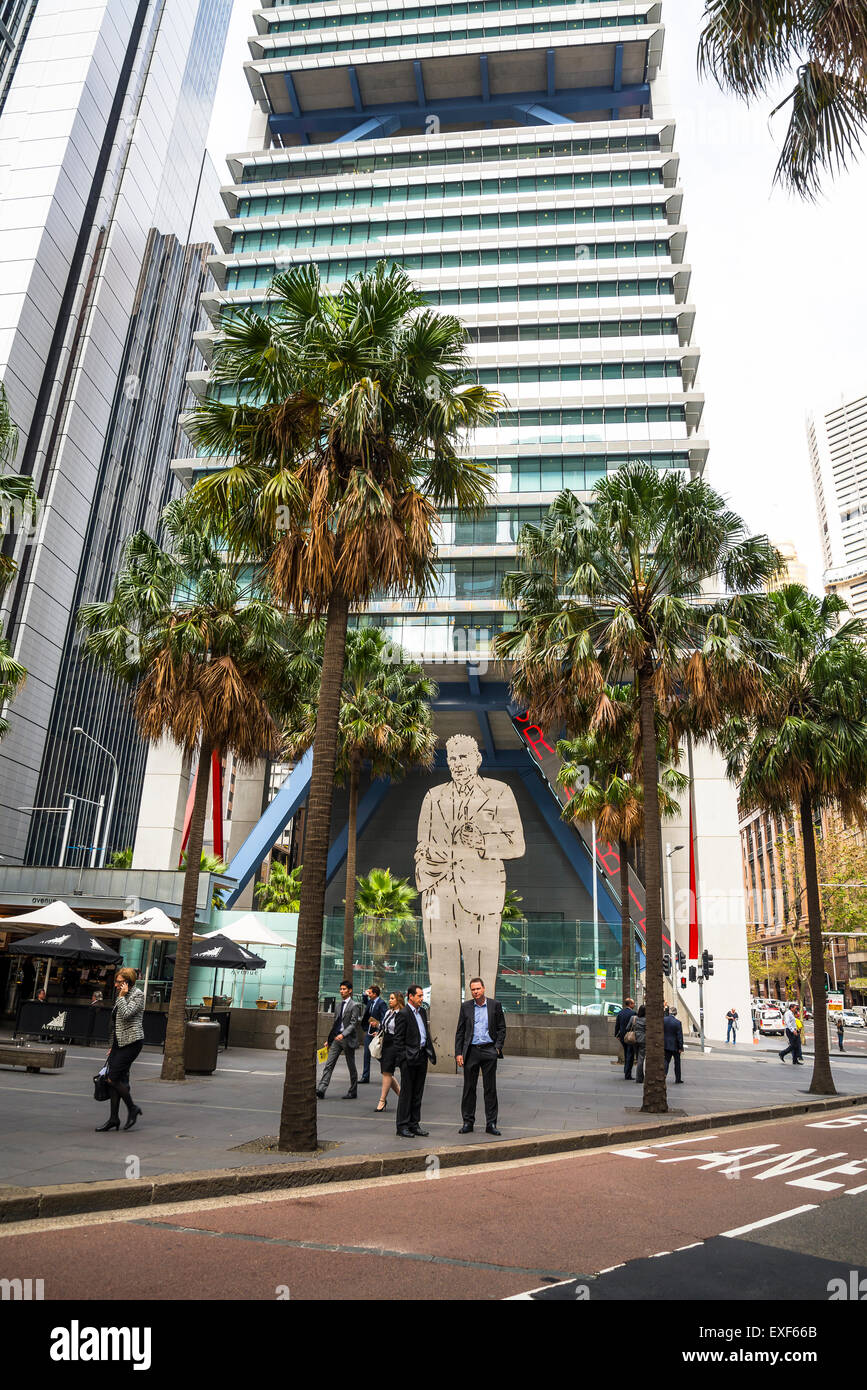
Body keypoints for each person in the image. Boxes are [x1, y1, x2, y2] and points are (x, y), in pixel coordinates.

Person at [415, 733, 524, 1061]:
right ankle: (445, 1054)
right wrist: (428, 876)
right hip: (438, 896)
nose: (456, 764)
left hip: (482, 894)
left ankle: (480, 1050)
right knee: (442, 981)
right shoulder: (433, 796)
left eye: (463, 757)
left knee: (481, 982)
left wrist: (483, 842)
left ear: (477, 759)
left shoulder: (500, 792)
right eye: (451, 758)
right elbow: (421, 846)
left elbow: (516, 844)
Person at [454, 976, 507, 1135]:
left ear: (483, 989)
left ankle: (491, 1124)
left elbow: (502, 1029)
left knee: (490, 1089)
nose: (475, 992)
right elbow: (460, 1032)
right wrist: (458, 1053)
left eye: (478, 989)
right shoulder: (466, 1007)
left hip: (489, 1050)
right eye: (473, 989)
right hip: (471, 1051)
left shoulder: (495, 1005)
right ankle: (468, 1122)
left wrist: (497, 1048)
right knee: (469, 1089)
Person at [96, 967, 145, 1132]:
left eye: (119, 982)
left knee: (112, 1079)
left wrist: (122, 997)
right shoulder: (122, 996)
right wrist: (113, 1045)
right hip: (119, 1043)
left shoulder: (137, 995)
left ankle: (132, 1108)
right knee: (115, 1080)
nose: (115, 984)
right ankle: (114, 1118)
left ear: (127, 982)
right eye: (116, 981)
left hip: (132, 1043)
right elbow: (116, 1023)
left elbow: (126, 1014)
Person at [394, 983, 436, 1137]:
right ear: (410, 997)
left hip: (421, 1056)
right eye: (419, 996)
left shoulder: (422, 1012)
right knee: (407, 1093)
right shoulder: (403, 1014)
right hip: (409, 1058)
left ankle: (414, 1124)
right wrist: (403, 1059)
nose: (421, 998)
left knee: (418, 1092)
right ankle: (402, 1126)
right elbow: (397, 1040)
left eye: (422, 996)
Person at [316, 981, 362, 1099]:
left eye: (344, 989)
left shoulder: (354, 1005)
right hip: (336, 1039)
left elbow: (353, 1024)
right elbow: (335, 1024)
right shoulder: (338, 1005)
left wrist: (344, 1034)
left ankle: (353, 1091)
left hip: (348, 1039)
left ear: (350, 991)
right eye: (340, 989)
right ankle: (321, 1088)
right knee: (329, 1064)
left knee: (351, 1066)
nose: (341, 991)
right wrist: (330, 1040)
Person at [373, 991, 403, 1113]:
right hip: (385, 1042)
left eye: (392, 998)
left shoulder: (401, 1014)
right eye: (389, 998)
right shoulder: (388, 1012)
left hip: (394, 1043)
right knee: (387, 1073)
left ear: (398, 1000)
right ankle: (403, 1096)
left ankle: (382, 1100)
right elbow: (384, 1026)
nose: (390, 1000)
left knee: (387, 1072)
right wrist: (378, 1027)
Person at [360, 985, 387, 1084]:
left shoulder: (381, 1003)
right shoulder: (371, 1002)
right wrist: (364, 993)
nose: (368, 994)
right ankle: (365, 1076)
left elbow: (385, 1018)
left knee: (377, 1054)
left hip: (377, 1032)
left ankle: (387, 1070)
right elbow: (364, 1000)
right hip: (369, 1031)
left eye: (370, 993)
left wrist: (379, 1025)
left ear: (375, 994)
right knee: (366, 1053)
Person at [614, 997, 637, 1079]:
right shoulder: (633, 1013)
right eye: (633, 1003)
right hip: (630, 1036)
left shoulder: (620, 1012)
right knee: (630, 1055)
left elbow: (617, 1025)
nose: (634, 1005)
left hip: (622, 1036)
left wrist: (616, 1035)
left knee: (627, 1053)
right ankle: (628, 1074)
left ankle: (626, 1070)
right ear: (630, 1004)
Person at [663, 1005, 684, 1083]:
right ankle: (678, 1079)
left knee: (666, 1061)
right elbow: (679, 1036)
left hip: (666, 1045)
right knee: (677, 1062)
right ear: (676, 1013)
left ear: (669, 1012)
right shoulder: (678, 1022)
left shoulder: (663, 1020)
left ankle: (664, 1074)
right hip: (675, 1046)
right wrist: (681, 1047)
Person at [633, 1004, 647, 1083]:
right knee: (641, 1059)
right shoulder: (646, 1020)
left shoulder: (634, 1018)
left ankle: (639, 1077)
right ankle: (639, 1078)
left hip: (634, 1039)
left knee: (638, 1058)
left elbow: (628, 1028)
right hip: (643, 1040)